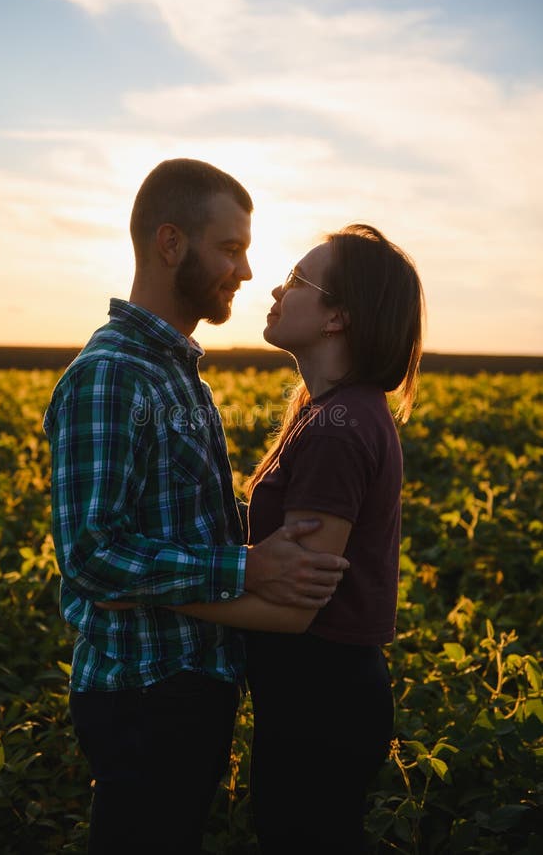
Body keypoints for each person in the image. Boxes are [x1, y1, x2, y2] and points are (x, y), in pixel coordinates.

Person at [43, 158, 347, 855]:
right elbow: (91, 556)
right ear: (170, 244)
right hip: (143, 695)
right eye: (230, 248)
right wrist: (245, 570)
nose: (245, 272)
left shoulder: (179, 376)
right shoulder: (112, 375)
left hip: (184, 691)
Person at [151, 223, 424, 852]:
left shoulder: (337, 428)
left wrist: (149, 592)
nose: (275, 287)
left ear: (338, 317)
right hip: (321, 696)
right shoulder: (335, 410)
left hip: (321, 704)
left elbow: (294, 607)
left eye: (299, 280)